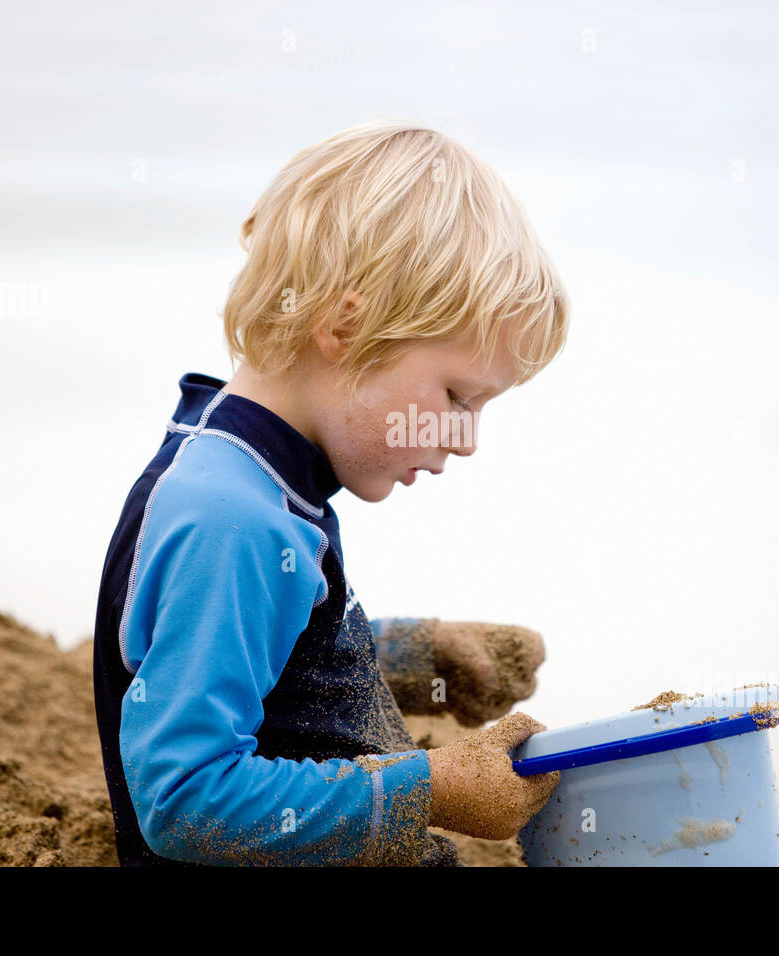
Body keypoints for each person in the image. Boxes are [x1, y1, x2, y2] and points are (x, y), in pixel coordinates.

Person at [92, 119, 570, 865]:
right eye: (456, 396)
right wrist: (431, 788)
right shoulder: (234, 521)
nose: (466, 437)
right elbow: (182, 802)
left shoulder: (244, 468)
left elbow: (269, 651)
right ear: (345, 327)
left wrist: (418, 654)